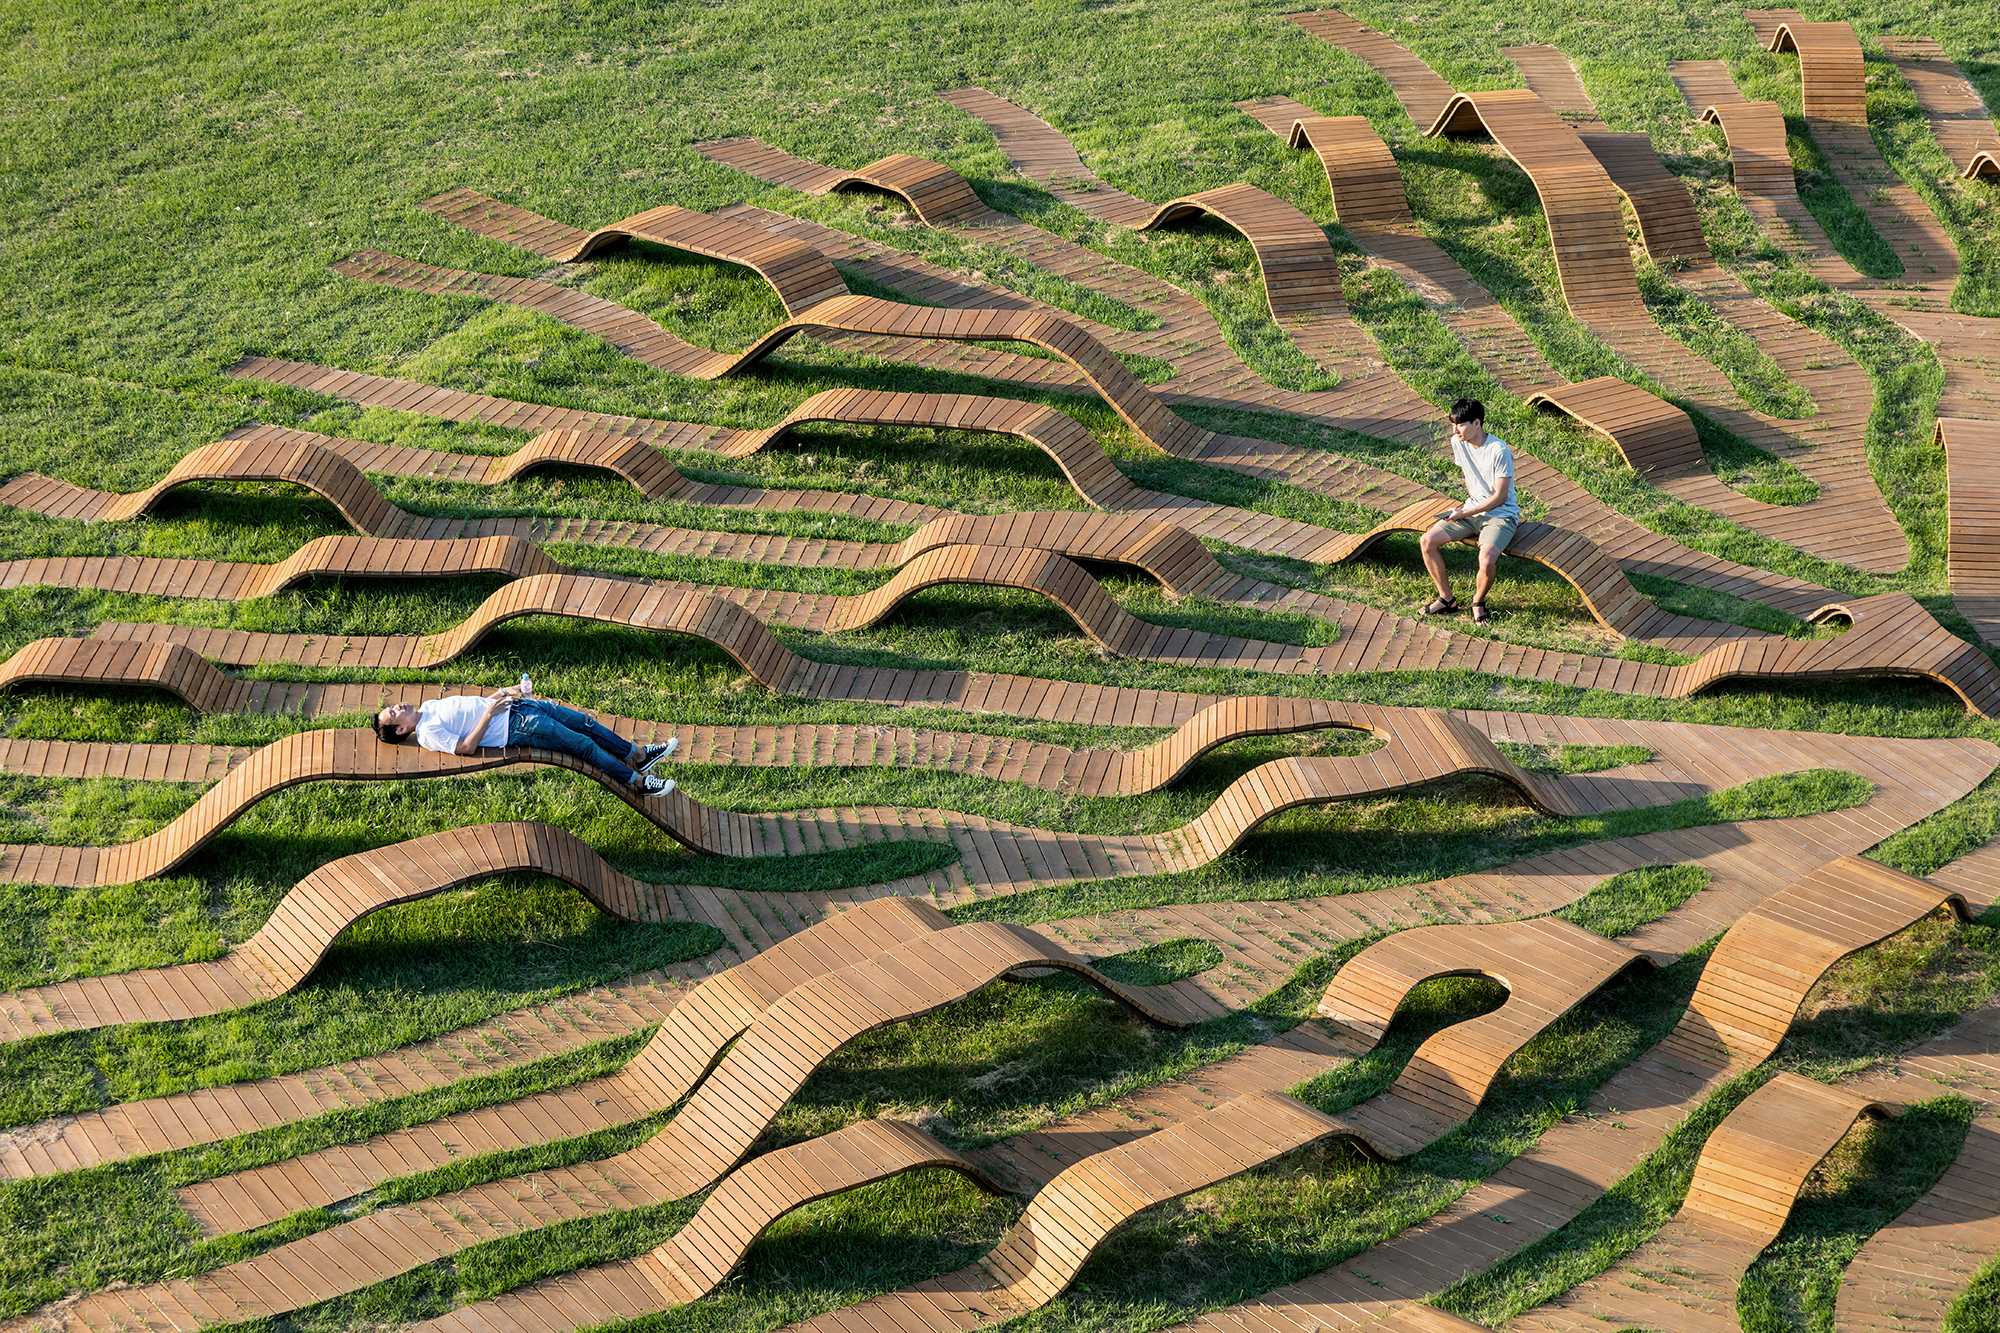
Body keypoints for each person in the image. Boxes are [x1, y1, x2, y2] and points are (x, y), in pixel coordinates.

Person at [373, 682, 680, 796]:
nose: (398, 705)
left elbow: (477, 707)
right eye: (393, 712)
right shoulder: (427, 734)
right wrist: (491, 714)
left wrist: (503, 693)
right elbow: (466, 748)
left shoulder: (428, 707)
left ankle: (638, 755)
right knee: (582, 746)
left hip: (521, 706)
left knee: (586, 723)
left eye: (393, 706)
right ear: (401, 730)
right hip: (518, 726)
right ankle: (637, 783)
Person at [1419, 397, 1518, 626]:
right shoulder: (1458, 442)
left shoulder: (1499, 451)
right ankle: (1446, 599)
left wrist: (1463, 513)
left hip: (1501, 515)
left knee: (1486, 559)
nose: (1455, 430)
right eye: (1453, 424)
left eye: (1460, 425)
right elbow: (1468, 475)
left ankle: (1478, 602)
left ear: (1477, 423)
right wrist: (1467, 506)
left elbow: (1500, 497)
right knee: (1427, 541)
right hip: (1470, 509)